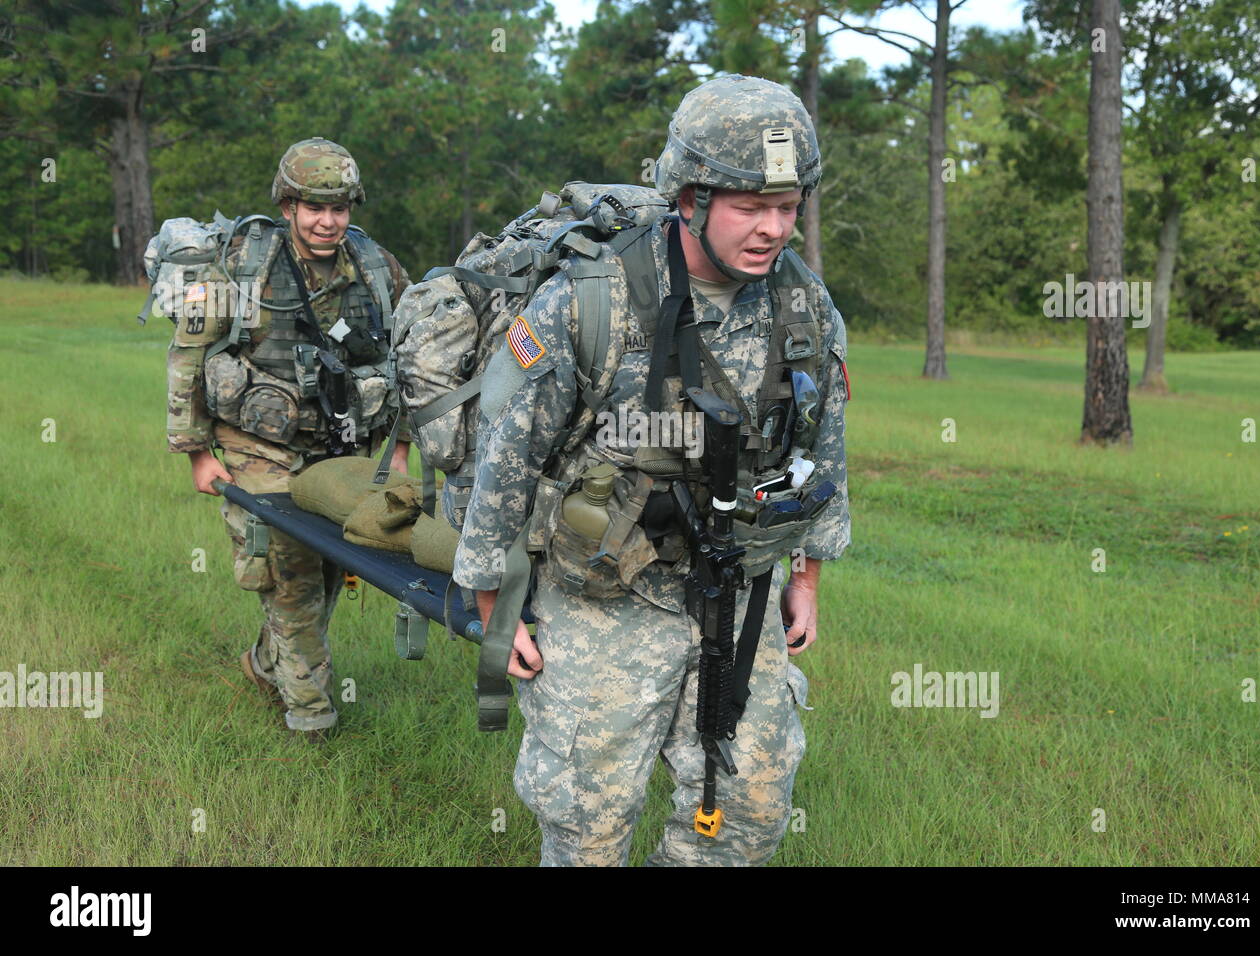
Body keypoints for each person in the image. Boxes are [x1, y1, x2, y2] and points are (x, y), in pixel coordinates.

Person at [452, 74, 851, 865]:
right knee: (588, 827)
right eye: (750, 206)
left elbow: (821, 446)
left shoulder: (804, 307)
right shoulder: (590, 303)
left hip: (739, 591)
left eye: (788, 206)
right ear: (690, 198)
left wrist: (806, 575)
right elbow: (509, 451)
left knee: (753, 810)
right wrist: (495, 601)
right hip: (606, 594)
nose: (774, 229)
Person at [166, 137, 412, 737]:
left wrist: (400, 449)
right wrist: (198, 453)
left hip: (342, 449)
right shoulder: (243, 266)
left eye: (339, 208)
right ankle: (312, 718)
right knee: (293, 578)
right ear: (287, 206)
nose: (327, 222)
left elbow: (414, 362)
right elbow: (187, 356)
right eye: (313, 208)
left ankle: (263, 663)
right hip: (260, 448)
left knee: (330, 570)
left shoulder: (379, 270)